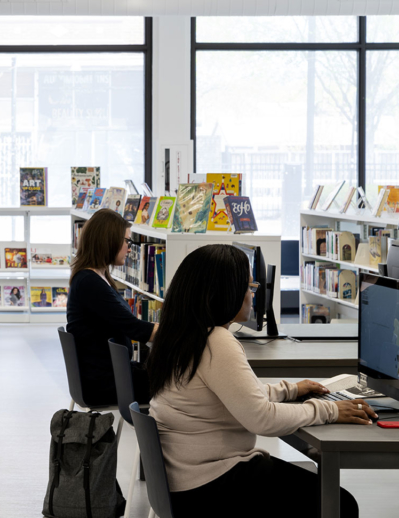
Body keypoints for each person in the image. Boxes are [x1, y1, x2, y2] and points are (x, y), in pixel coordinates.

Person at [147, 245, 369, 517]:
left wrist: (289, 390)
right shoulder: (216, 341)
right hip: (210, 488)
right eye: (248, 286)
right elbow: (262, 419)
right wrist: (330, 410)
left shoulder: (178, 335)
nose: (252, 295)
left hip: (184, 484)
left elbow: (227, 395)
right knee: (340, 503)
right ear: (226, 292)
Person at [66, 208, 157, 406]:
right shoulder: (90, 283)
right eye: (127, 241)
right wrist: (184, 332)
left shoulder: (95, 277)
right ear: (109, 241)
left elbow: (128, 324)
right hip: (107, 382)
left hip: (110, 375)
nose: (129, 248)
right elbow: (135, 328)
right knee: (179, 381)